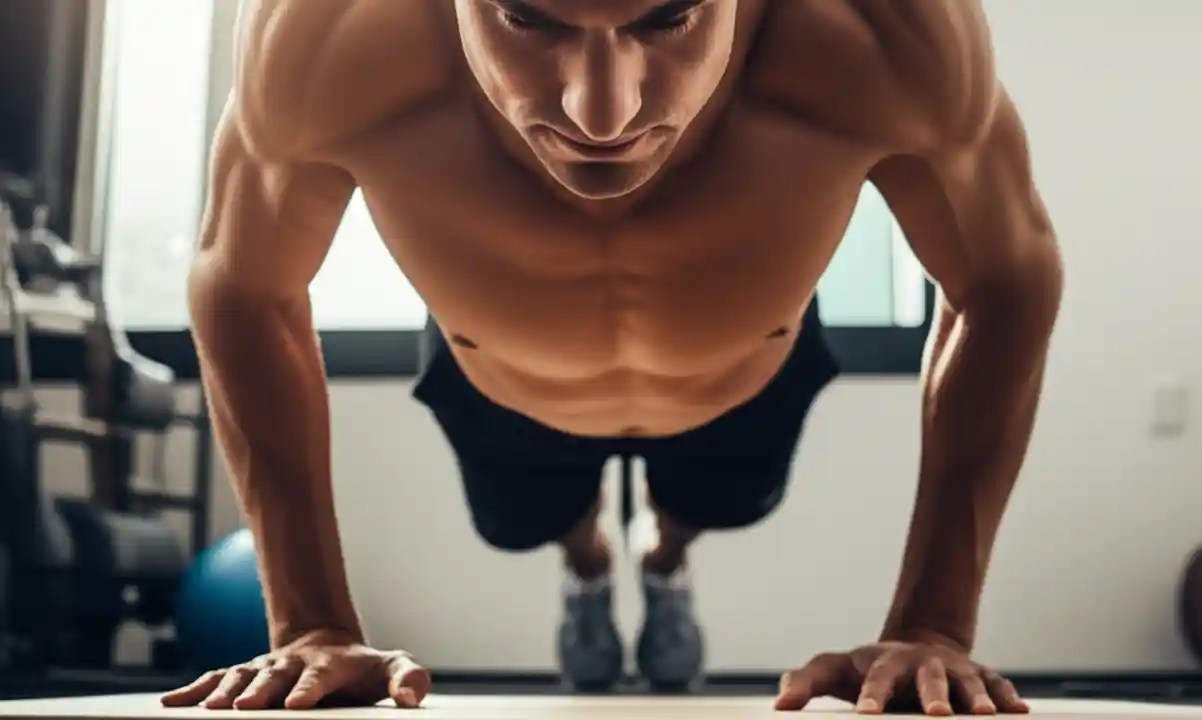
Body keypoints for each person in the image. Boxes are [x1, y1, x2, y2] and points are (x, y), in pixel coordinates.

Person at [162, 0, 1063, 714]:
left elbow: (1006, 276)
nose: (603, 111)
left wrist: (934, 626)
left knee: (714, 505)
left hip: (749, 378)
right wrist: (312, 623)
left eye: (669, 17)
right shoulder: (332, 25)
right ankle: (590, 559)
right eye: (527, 18)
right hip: (500, 385)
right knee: (527, 517)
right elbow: (243, 284)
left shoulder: (878, 25)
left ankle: (662, 557)